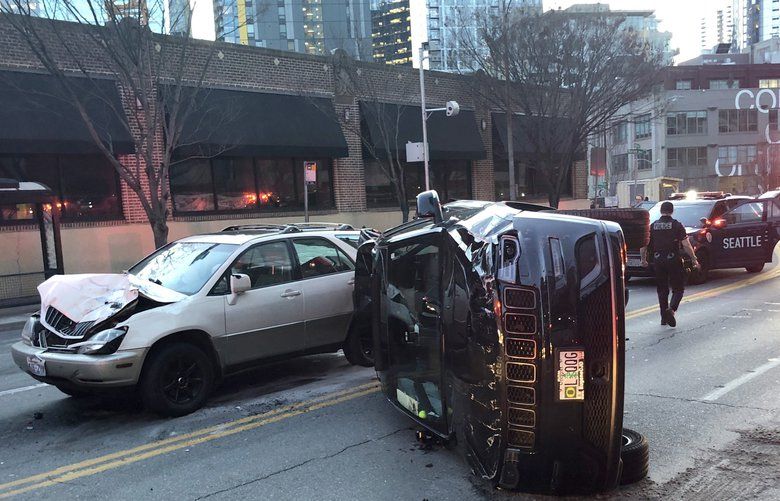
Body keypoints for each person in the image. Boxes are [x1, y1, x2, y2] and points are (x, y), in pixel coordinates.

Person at [640, 201, 700, 327]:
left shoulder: (653, 226)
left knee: (662, 290)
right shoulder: (677, 225)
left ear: (661, 211)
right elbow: (686, 245)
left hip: (658, 260)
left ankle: (663, 318)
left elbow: (644, 245)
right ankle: (671, 310)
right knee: (678, 288)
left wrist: (643, 260)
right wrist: (694, 259)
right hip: (673, 259)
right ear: (672, 211)